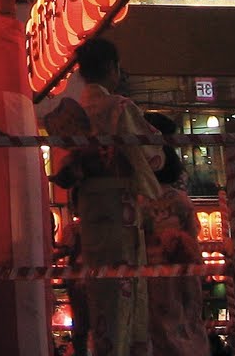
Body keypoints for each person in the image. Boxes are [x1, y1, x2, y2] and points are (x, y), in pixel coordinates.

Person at [63, 37, 163, 356]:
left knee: (99, 286)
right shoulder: (120, 107)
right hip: (119, 205)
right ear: (111, 67)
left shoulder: (73, 110)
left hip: (90, 210)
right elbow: (151, 153)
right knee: (125, 289)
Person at [140, 112, 210, 356]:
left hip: (146, 275)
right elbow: (193, 235)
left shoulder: (136, 199)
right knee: (186, 329)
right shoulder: (179, 198)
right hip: (182, 274)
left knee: (155, 333)